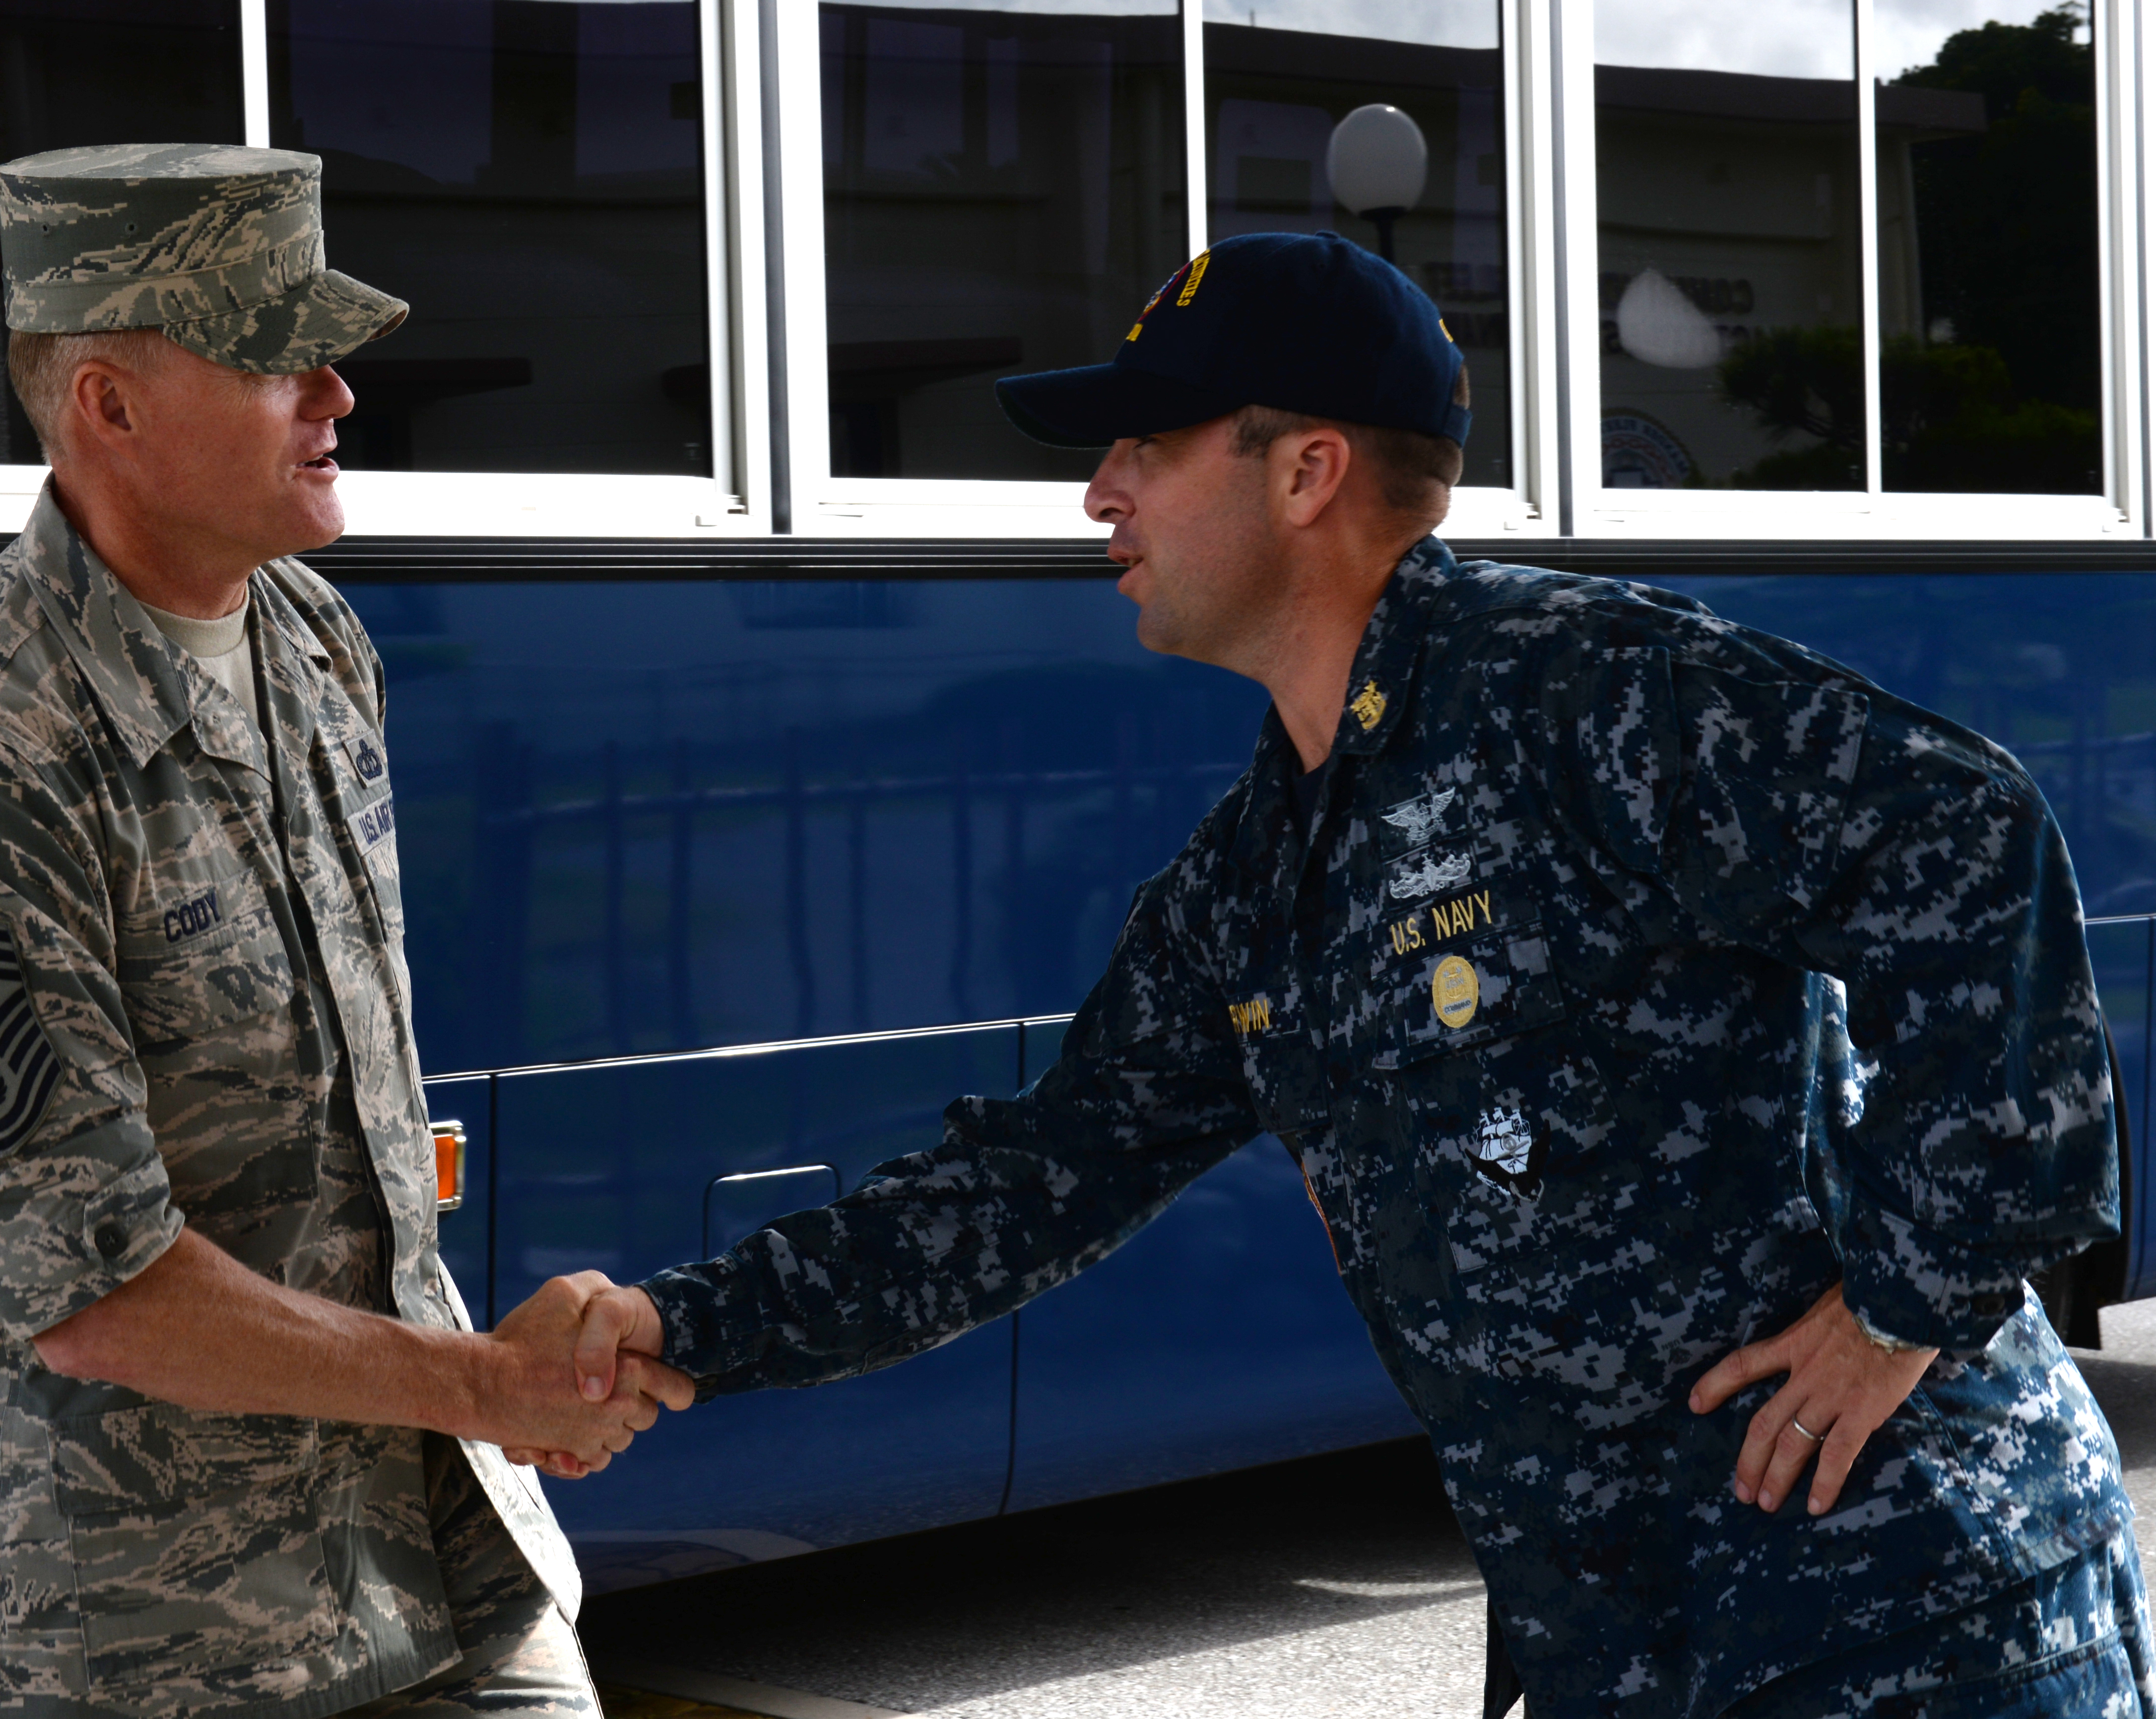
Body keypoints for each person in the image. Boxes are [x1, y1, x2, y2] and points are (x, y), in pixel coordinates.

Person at [561, 231, 2151, 1715]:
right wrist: (670, 1323)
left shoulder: (1574, 691)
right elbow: (1029, 1184)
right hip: (1643, 1651)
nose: (1098, 492)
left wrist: (1911, 1295)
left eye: (1149, 444)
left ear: (1309, 469)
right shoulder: (1256, 878)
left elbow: (1969, 833)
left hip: (1906, 1614)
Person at [0, 144, 689, 1719]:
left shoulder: (310, 639)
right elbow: (98, 1297)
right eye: (275, 355)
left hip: (436, 1573)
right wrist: (484, 1385)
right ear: (109, 404)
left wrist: (494, 1400)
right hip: (141, 1650)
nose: (337, 393)